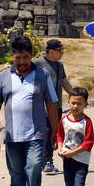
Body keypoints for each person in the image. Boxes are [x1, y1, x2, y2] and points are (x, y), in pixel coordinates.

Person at [0, 36, 59, 186]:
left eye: (26, 58)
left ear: (31, 57)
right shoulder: (3, 77)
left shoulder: (42, 75)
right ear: (12, 57)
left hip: (36, 134)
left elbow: (52, 104)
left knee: (35, 169)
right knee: (17, 175)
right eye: (18, 58)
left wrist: (55, 130)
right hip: (12, 136)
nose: (22, 62)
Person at [55, 86, 94, 186]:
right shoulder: (64, 120)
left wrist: (73, 153)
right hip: (67, 160)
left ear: (85, 104)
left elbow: (88, 143)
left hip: (81, 161)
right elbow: (60, 135)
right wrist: (60, 148)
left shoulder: (86, 122)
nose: (75, 106)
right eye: (73, 103)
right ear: (68, 102)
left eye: (79, 103)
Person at [37, 39, 73, 175]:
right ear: (51, 51)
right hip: (42, 107)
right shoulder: (38, 64)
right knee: (46, 132)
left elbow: (64, 82)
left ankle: (46, 160)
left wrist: (75, 94)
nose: (62, 53)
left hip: (56, 106)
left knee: (53, 133)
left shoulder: (59, 66)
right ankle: (47, 161)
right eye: (60, 50)